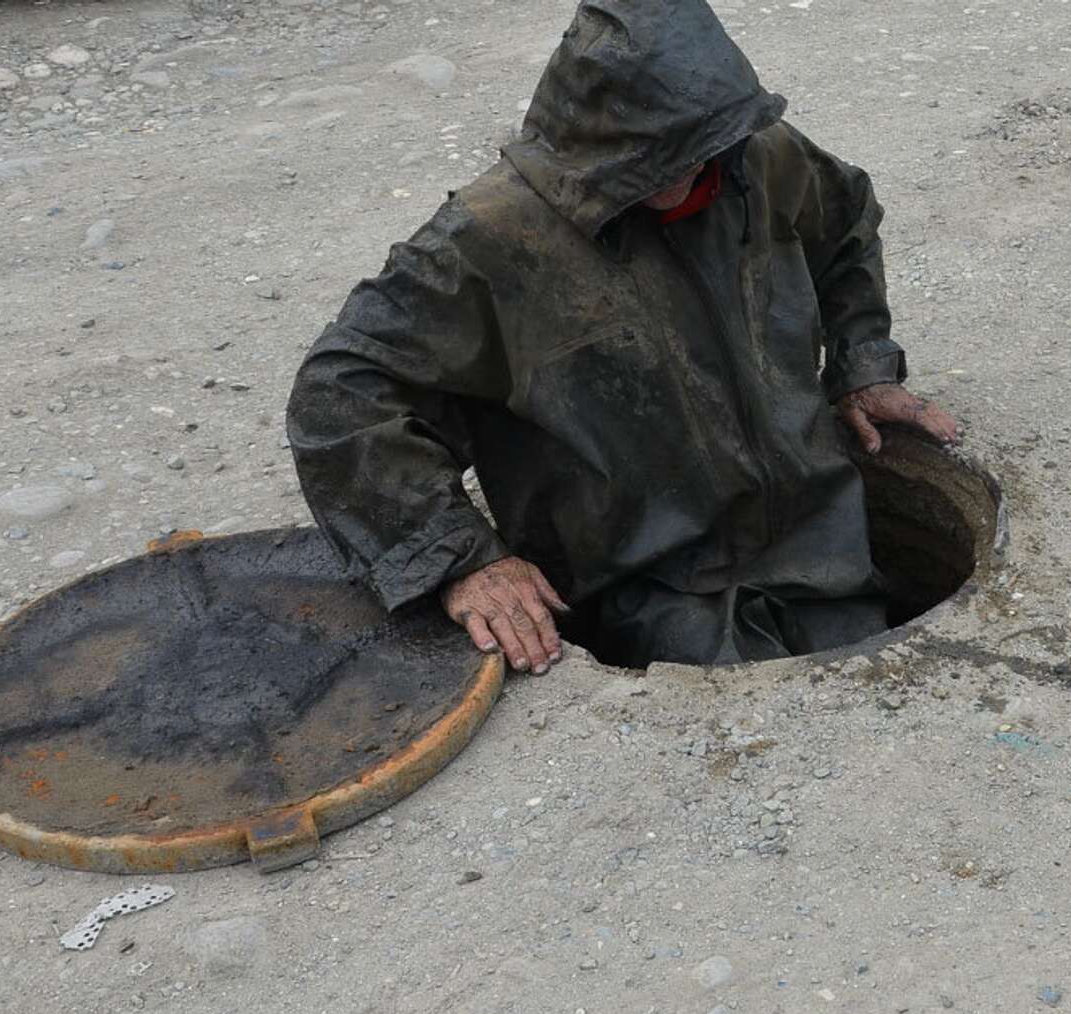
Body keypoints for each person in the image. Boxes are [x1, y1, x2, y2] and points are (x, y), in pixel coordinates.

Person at [287, 0, 959, 673]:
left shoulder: (757, 157)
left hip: (819, 547)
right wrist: (458, 558)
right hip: (643, 592)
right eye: (648, 154)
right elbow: (338, 394)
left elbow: (845, 222)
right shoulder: (496, 236)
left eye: (696, 148)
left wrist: (861, 364)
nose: (680, 172)